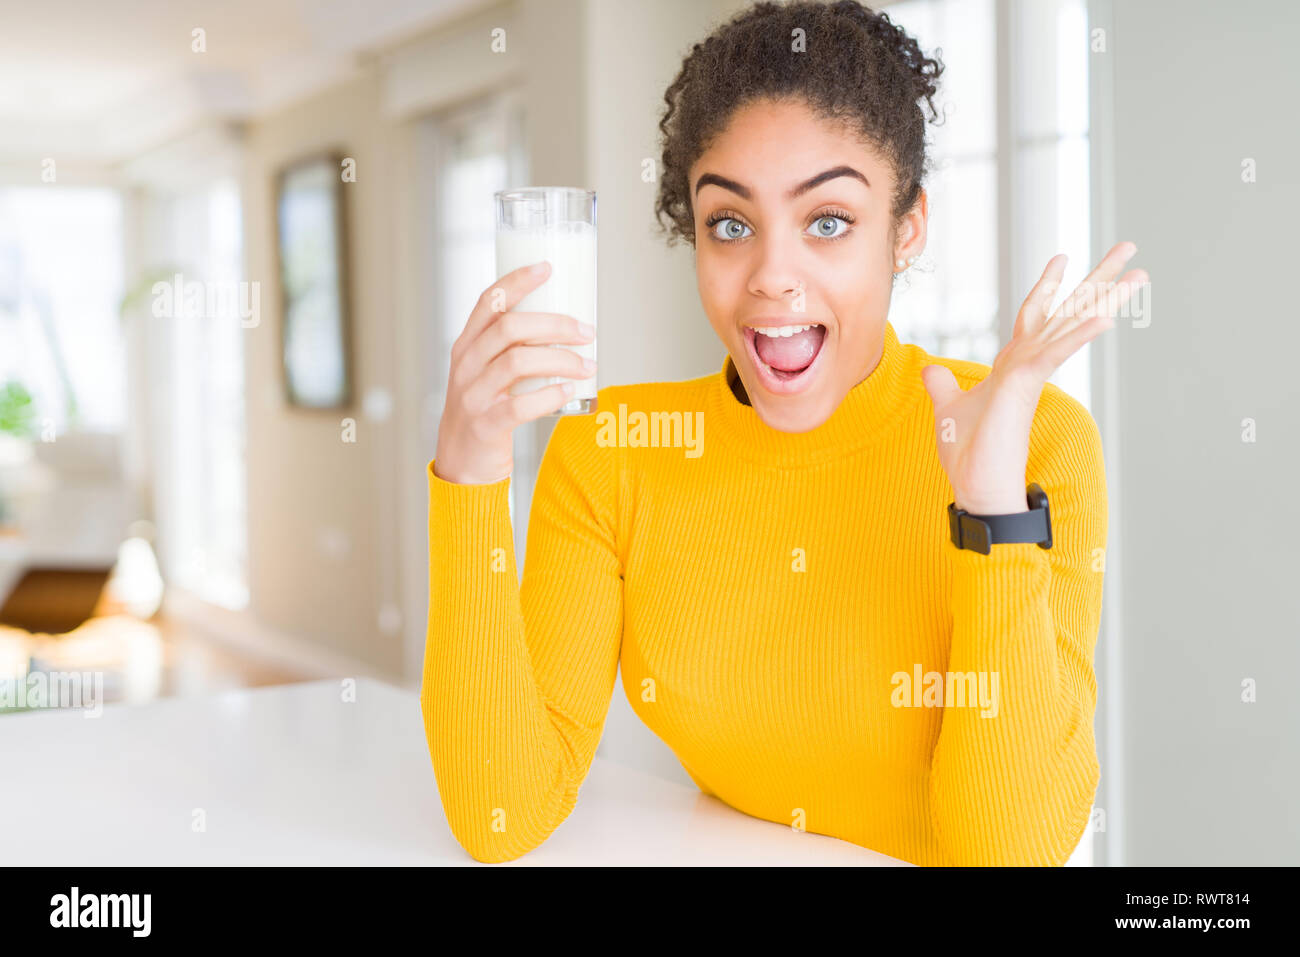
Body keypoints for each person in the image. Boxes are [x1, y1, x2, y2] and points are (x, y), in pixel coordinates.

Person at [422, 0, 1146, 865]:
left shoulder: (1038, 442)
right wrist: (467, 469)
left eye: (828, 221)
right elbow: (501, 814)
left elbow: (1012, 850)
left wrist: (990, 510)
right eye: (731, 224)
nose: (772, 276)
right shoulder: (611, 453)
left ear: (905, 229)